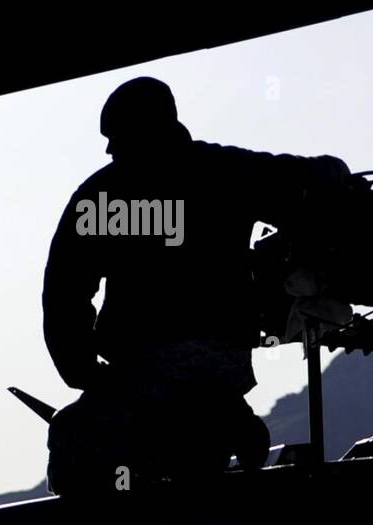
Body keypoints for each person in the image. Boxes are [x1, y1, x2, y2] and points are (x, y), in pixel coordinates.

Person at [43, 77, 350, 494]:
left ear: (139, 130)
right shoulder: (226, 172)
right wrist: (335, 174)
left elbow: (64, 291)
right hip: (220, 368)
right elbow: (306, 177)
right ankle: (224, 425)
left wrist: (81, 371)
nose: (109, 149)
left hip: (141, 374)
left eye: (114, 137)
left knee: (71, 451)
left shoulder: (103, 196)